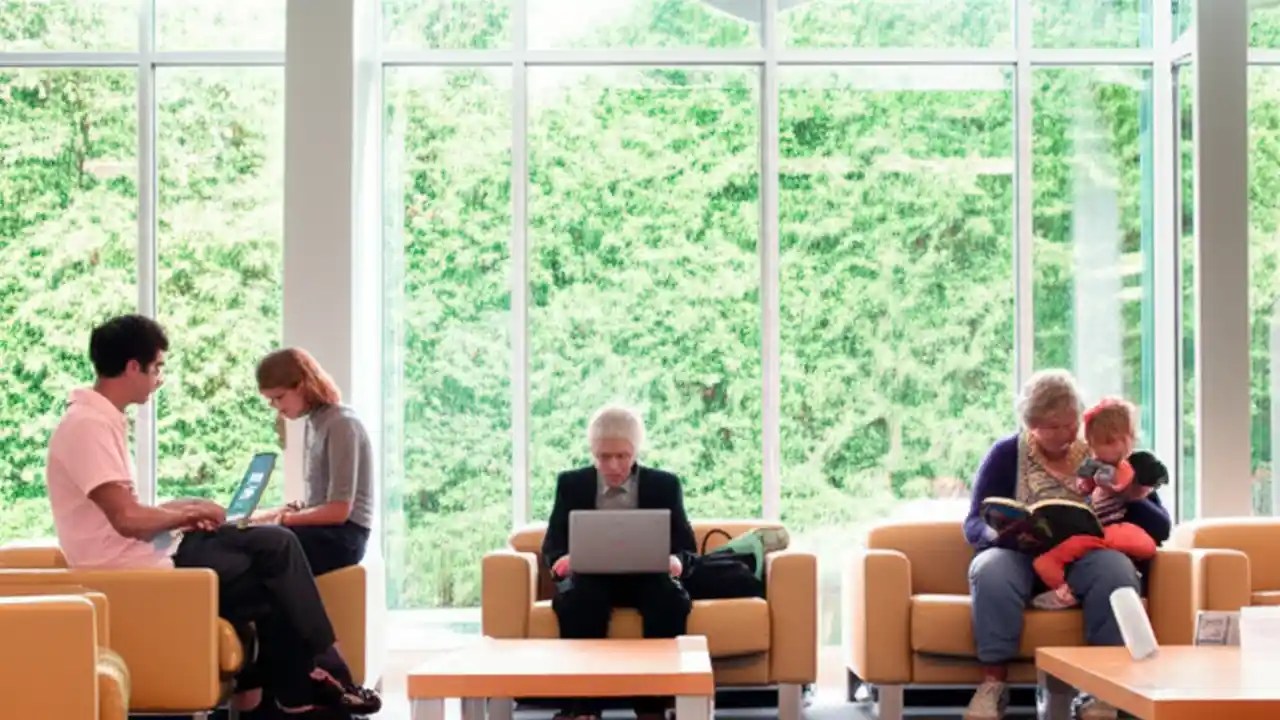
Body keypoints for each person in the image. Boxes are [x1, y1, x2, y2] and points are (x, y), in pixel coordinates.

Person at [43, 314, 365, 719]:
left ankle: (291, 697)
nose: (159, 378)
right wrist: (189, 512)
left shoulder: (101, 420)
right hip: (134, 566)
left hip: (147, 552)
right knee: (277, 562)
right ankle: (322, 671)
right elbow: (126, 519)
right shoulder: (87, 426)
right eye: (157, 367)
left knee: (275, 564)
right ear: (132, 367)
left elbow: (125, 510)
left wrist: (182, 509)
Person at [961, 370, 1171, 720]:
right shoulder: (1005, 453)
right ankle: (993, 686)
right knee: (989, 569)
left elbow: (1161, 526)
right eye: (1051, 427)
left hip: (1085, 556)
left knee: (1115, 568)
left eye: (1069, 425)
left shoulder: (1101, 451)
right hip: (1021, 556)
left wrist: (1128, 494)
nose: (1063, 435)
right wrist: (995, 534)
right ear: (1031, 424)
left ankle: (1103, 691)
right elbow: (973, 521)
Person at [542, 405, 696, 720]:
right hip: (591, 579)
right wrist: (562, 559)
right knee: (579, 602)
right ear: (593, 453)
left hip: (648, 577)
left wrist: (675, 561)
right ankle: (585, 708)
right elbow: (552, 544)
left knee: (670, 600)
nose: (613, 466)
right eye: (603, 456)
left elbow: (686, 546)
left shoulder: (664, 485)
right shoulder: (571, 484)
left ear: (635, 452)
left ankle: (653, 707)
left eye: (622, 456)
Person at [251, 347, 373, 577]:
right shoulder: (315, 423)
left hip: (344, 537)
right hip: (326, 531)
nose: (276, 407)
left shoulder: (342, 424)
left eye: (279, 397)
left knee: (262, 547)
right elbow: (319, 503)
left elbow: (339, 511)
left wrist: (283, 520)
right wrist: (273, 515)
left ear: (302, 385)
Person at [1030, 397, 1161, 610]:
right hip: (1094, 528)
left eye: (1109, 442)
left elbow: (1124, 486)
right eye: (1093, 445)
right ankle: (1063, 591)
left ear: (1129, 439)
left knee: (1141, 544)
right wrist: (1086, 483)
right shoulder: (1093, 464)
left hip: (1115, 528)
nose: (1100, 450)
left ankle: (1073, 590)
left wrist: (1113, 482)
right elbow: (1083, 486)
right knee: (1059, 554)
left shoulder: (1128, 466)